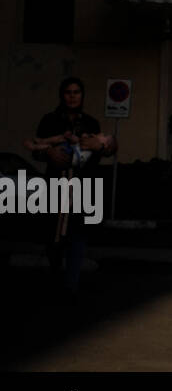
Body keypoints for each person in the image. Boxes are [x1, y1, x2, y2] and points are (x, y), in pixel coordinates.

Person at [24, 76, 117, 297]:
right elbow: (35, 148)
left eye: (76, 92)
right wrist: (49, 152)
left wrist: (98, 147)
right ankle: (56, 271)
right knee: (53, 237)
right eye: (68, 92)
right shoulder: (50, 120)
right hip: (55, 186)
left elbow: (102, 151)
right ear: (62, 95)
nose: (72, 96)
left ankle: (70, 286)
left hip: (81, 186)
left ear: (82, 96)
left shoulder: (91, 123)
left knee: (78, 234)